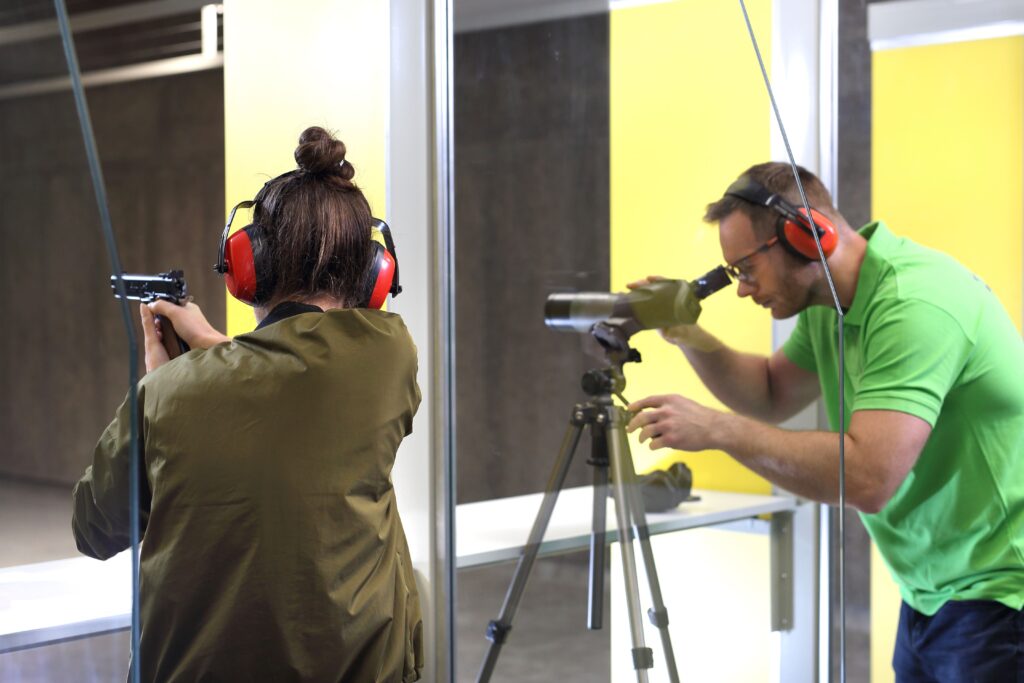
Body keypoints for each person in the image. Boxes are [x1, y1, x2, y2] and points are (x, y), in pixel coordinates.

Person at [627, 161, 1024, 681]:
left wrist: (718, 429)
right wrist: (687, 334)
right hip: (931, 591)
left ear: (807, 235)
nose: (743, 289)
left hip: (999, 592)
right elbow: (770, 393)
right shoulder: (828, 303)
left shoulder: (915, 304)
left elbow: (867, 477)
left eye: (745, 269)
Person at [72, 127, 423, 682]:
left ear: (244, 266)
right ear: (374, 274)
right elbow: (294, 376)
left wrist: (161, 381)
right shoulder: (392, 358)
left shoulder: (169, 393)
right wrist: (213, 352)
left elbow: (93, 527)